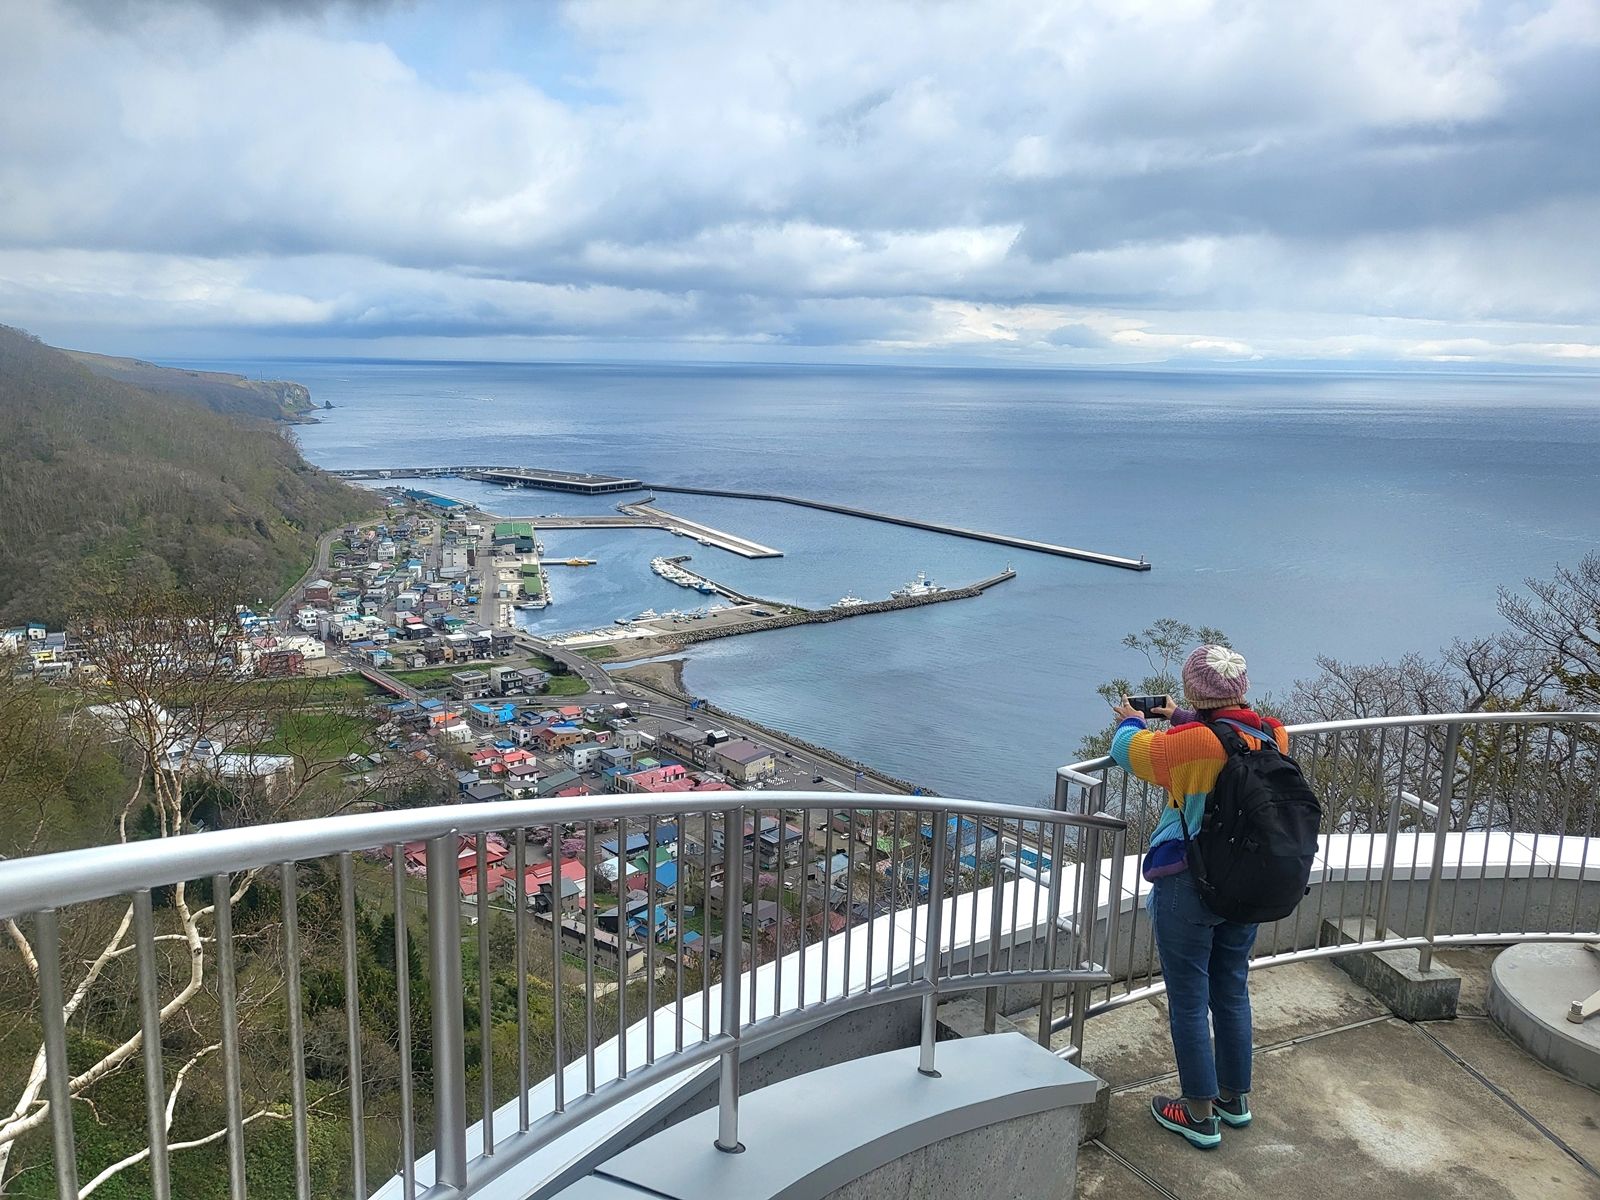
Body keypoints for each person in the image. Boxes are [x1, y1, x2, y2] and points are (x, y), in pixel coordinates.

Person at [1108, 644, 1288, 1150]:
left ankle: (1197, 1114)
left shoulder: (1188, 744)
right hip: (1248, 881)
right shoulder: (1273, 734)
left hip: (1191, 880)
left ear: (1192, 690)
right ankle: (1234, 1100)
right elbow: (1226, 736)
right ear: (1243, 688)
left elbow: (1132, 753)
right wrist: (1182, 713)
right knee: (1230, 986)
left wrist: (1130, 721)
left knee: (1188, 998)